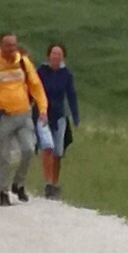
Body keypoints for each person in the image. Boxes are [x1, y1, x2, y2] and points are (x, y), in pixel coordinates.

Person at [0, 31, 48, 203]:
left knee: (29, 149)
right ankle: (3, 192)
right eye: (8, 45)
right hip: (3, 118)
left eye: (14, 45)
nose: (12, 48)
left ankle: (19, 183)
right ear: (0, 46)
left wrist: (43, 109)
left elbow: (36, 86)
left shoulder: (23, 62)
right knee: (3, 156)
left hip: (23, 115)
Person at [37, 40, 79, 196]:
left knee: (58, 152)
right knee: (47, 146)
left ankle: (54, 182)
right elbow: (33, 89)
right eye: (54, 53)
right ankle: (47, 182)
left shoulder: (66, 74)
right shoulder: (40, 71)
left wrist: (75, 116)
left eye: (59, 54)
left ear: (63, 57)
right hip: (43, 115)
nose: (56, 56)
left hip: (60, 116)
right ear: (49, 55)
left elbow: (71, 95)